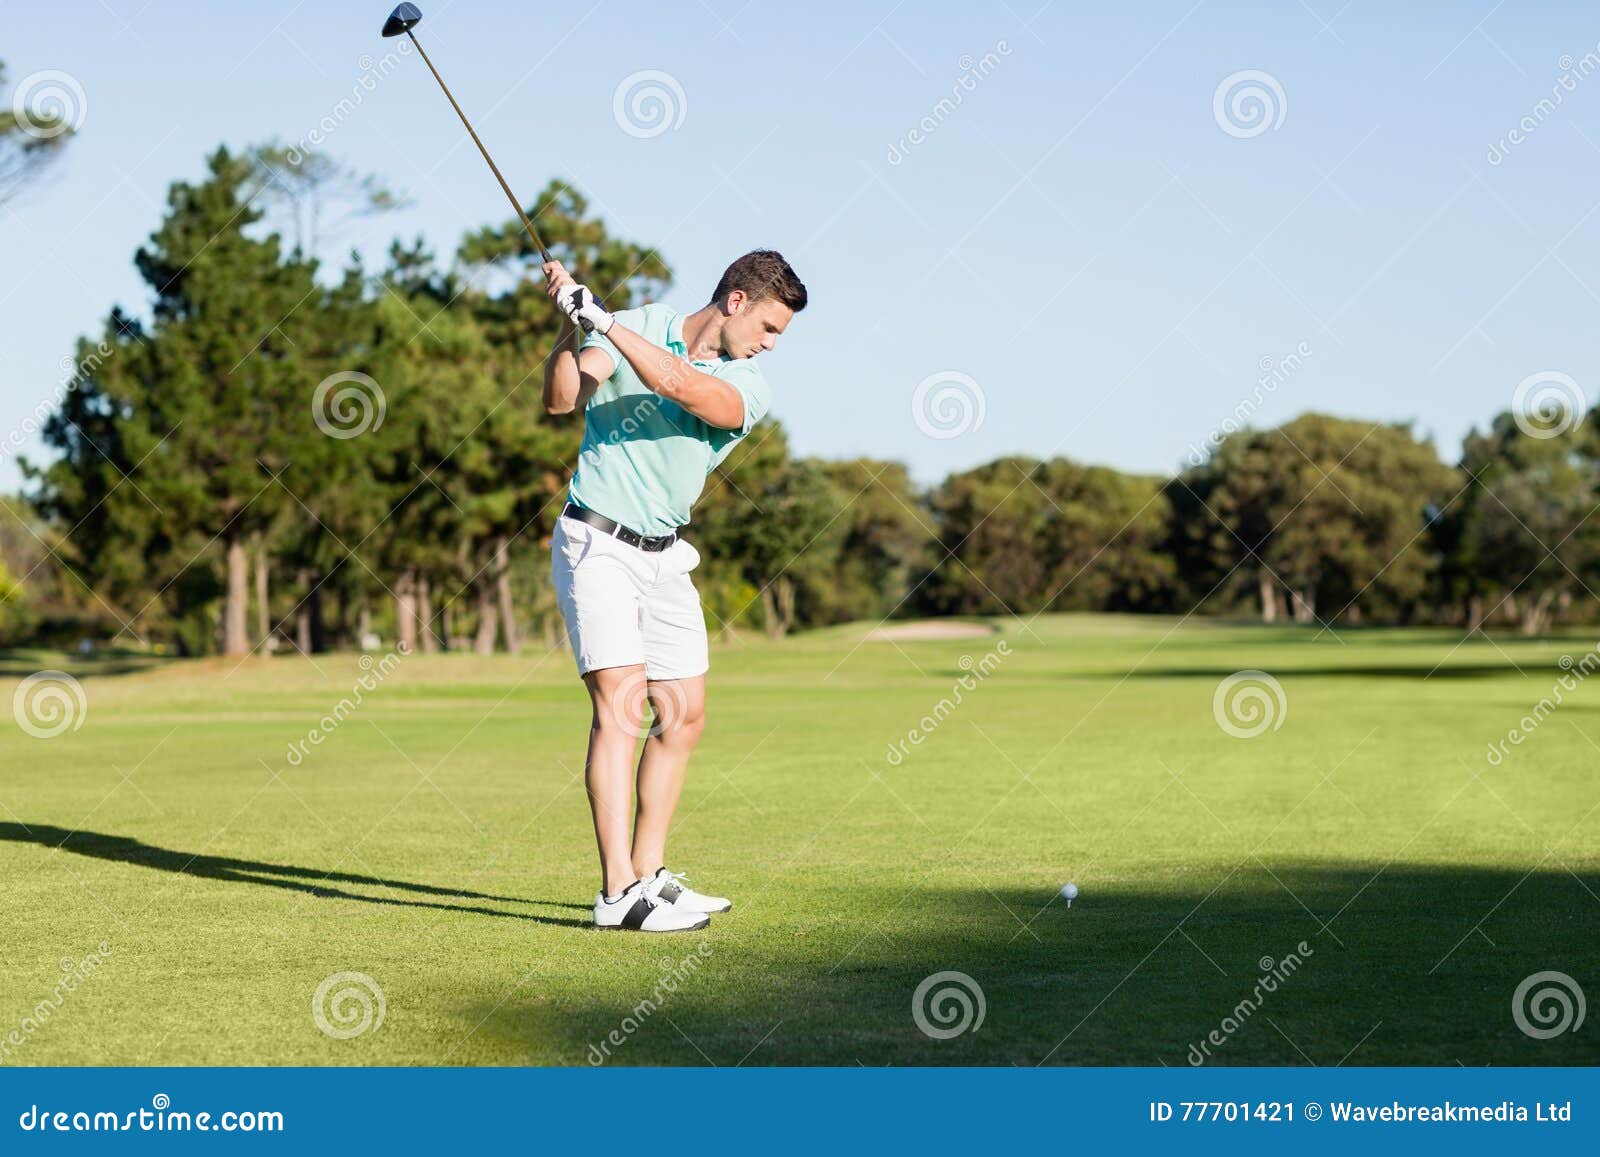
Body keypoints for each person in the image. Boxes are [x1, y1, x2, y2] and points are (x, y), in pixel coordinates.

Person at [541, 250, 808, 932]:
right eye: (771, 329)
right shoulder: (637, 322)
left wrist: (602, 318)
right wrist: (571, 326)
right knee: (622, 709)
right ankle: (615, 893)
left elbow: (687, 390)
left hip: (664, 556)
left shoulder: (748, 385)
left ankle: (650, 874)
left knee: (684, 714)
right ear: (738, 301)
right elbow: (563, 398)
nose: (772, 346)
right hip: (597, 541)